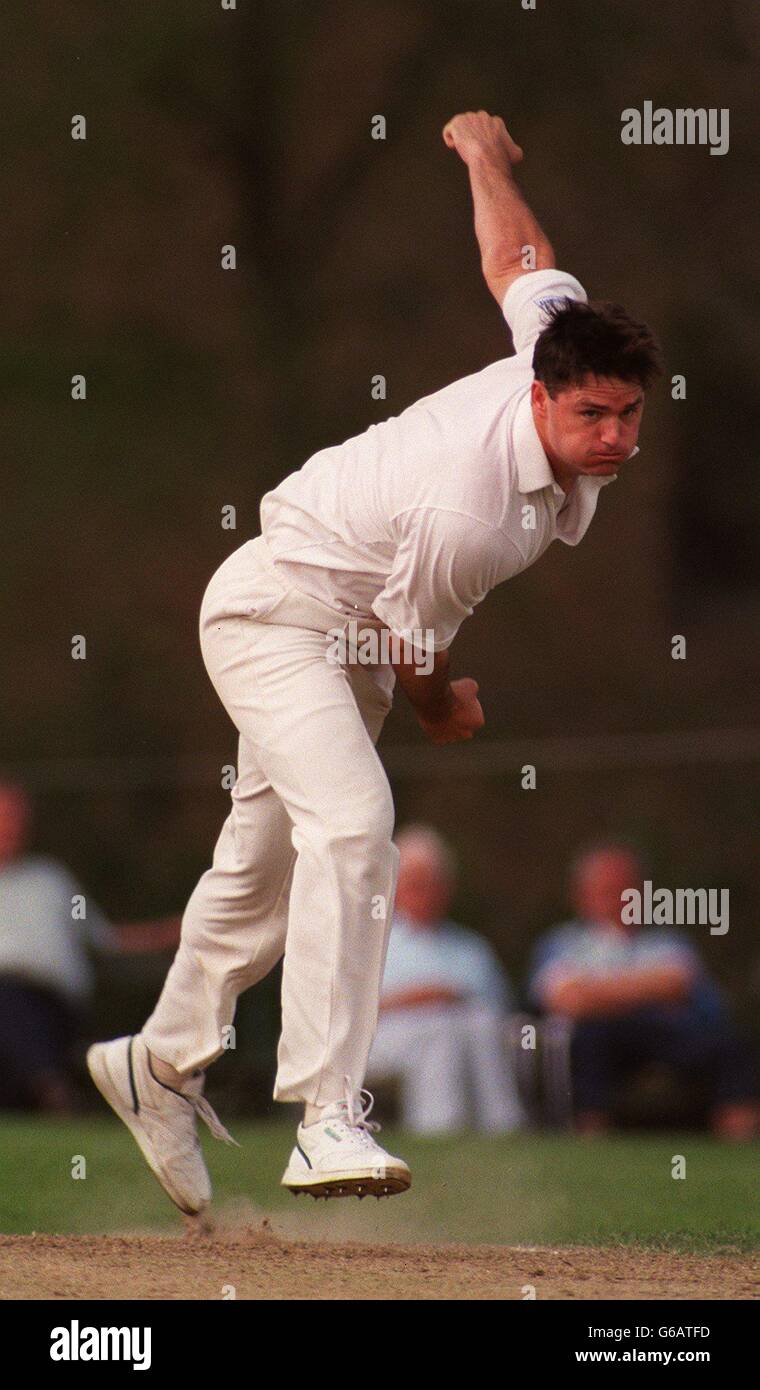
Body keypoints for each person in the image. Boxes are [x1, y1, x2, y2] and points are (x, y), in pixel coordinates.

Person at [87, 109, 662, 1214]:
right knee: (355, 827)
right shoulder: (474, 510)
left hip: (347, 629)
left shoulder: (553, 339)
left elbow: (518, 263)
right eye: (592, 416)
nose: (616, 441)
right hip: (274, 615)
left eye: (631, 416)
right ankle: (325, 1117)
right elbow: (416, 653)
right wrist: (444, 710)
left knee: (259, 884)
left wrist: (485, 159)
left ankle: (156, 1062)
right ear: (540, 396)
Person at [528, 843, 758, 1139]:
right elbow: (569, 1002)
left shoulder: (668, 940)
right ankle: (591, 1141)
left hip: (668, 1032)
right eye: (610, 890)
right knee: (586, 1042)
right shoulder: (559, 943)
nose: (623, 900)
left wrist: (597, 990)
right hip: (598, 1035)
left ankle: (739, 1144)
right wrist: (647, 988)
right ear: (582, 896)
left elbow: (680, 984)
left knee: (732, 1045)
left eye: (630, 889)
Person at [0, 780, 180, 1113]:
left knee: (10, 1004)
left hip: (50, 1005)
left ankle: (47, 1087)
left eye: (16, 818)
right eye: (3, 817)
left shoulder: (50, 880)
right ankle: (48, 1088)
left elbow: (108, 938)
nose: (11, 827)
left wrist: (183, 931)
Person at [367, 825, 524, 1133]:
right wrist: (421, 998)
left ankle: (504, 1127)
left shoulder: (472, 949)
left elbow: (499, 1010)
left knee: (479, 1023)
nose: (425, 894)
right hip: (383, 1040)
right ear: (394, 887)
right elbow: (354, 1012)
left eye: (433, 885)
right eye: (416, 885)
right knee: (441, 1030)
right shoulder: (372, 943)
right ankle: (439, 1129)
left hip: (465, 1035)